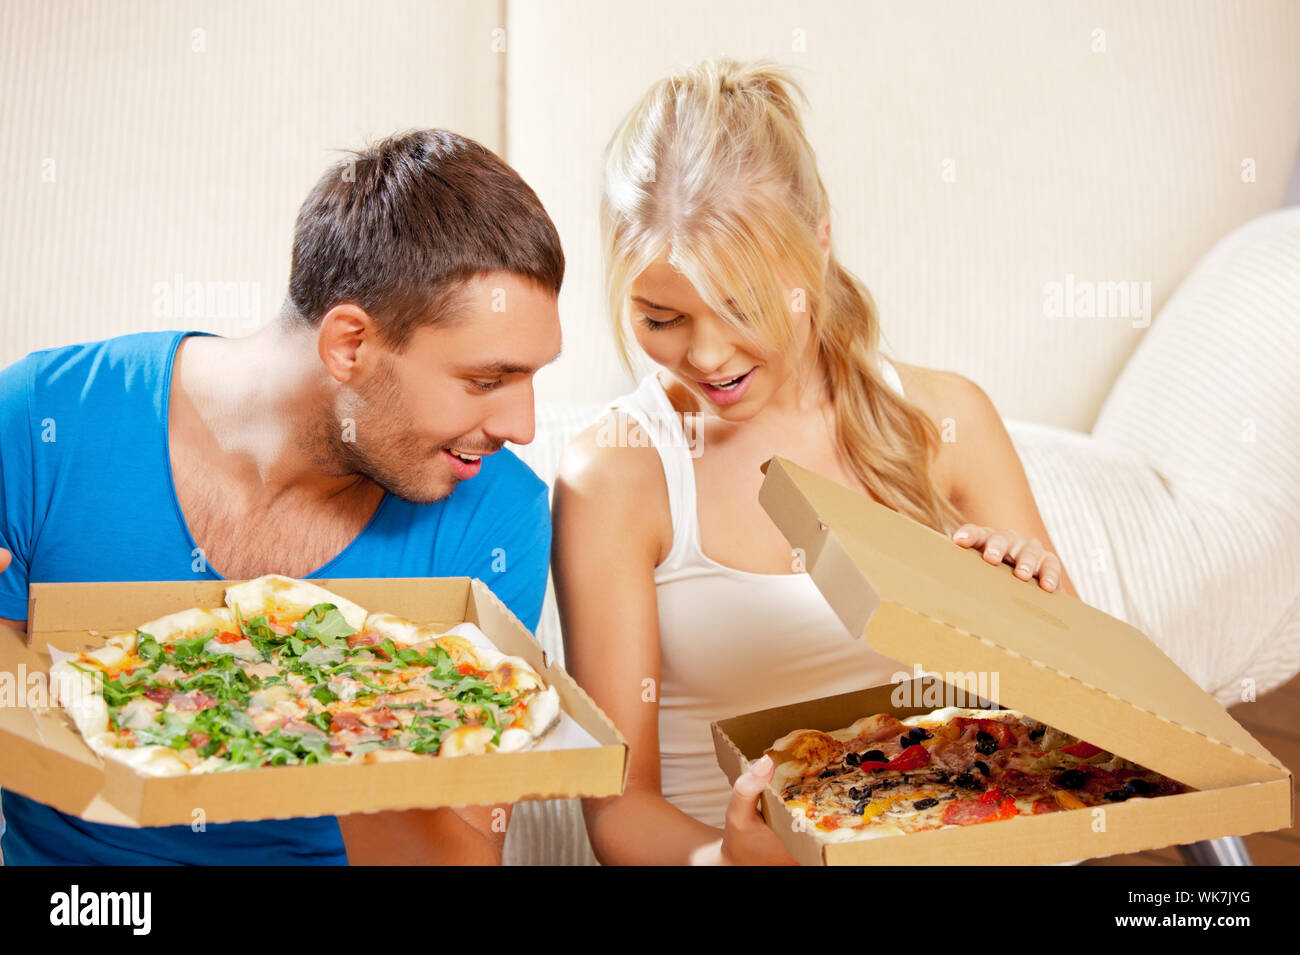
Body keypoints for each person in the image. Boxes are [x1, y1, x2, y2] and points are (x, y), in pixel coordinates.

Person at [552, 58, 1079, 865]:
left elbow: (1087, 714)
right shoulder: (617, 476)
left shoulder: (948, 420)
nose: (706, 353)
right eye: (661, 318)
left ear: (820, 246)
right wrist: (721, 860)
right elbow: (622, 813)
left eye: (742, 305)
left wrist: (1030, 605)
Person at [0, 128, 564, 865]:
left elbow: (459, 855)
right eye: (486, 381)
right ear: (349, 345)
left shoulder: (497, 515)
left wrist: (365, 716)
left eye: (532, 378)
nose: (522, 427)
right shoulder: (46, 421)